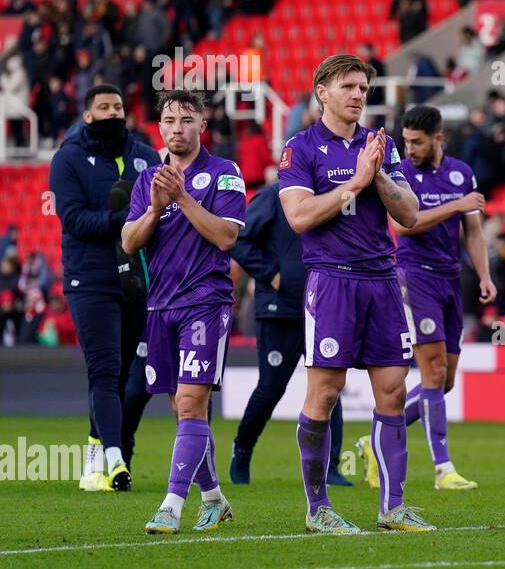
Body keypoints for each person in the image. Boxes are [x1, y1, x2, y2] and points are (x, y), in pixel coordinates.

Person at [278, 54, 426, 534]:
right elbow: (299, 217)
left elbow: (410, 214)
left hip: (383, 280)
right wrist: (357, 183)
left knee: (394, 390)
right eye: (348, 86)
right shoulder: (300, 149)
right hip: (332, 281)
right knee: (324, 392)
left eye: (363, 87)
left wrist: (377, 174)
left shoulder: (381, 146)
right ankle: (318, 508)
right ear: (322, 91)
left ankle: (393, 507)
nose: (358, 95)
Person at [121, 91, 246, 534]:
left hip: (205, 303)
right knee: (181, 409)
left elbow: (226, 237)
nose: (177, 127)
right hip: (160, 307)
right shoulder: (147, 182)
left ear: (202, 126)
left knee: (193, 404)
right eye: (169, 120)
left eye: (186, 119)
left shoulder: (224, 174)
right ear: (160, 128)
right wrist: (157, 207)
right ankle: (214, 498)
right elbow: (130, 242)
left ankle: (171, 507)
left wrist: (183, 199)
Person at [378, 103, 495, 491]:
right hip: (413, 278)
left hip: (450, 280)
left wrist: (484, 275)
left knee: (443, 382)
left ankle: (370, 442)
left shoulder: (461, 173)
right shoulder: (401, 175)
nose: (409, 149)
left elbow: (474, 232)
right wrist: (456, 205)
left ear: (437, 139)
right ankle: (443, 469)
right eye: (406, 141)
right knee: (432, 372)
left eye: (417, 142)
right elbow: (402, 226)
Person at [50, 84, 160, 492]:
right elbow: (75, 220)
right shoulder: (68, 158)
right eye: (104, 107)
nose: (113, 111)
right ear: (88, 115)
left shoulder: (146, 157)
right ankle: (116, 460)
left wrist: (140, 218)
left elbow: (160, 216)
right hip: (89, 278)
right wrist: (125, 219)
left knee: (123, 376)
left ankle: (95, 456)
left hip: (136, 277)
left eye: (118, 106)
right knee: (105, 370)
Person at [229, 180, 351, 486]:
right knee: (271, 387)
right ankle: (242, 449)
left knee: (328, 386)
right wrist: (272, 275)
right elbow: (240, 240)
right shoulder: (272, 195)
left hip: (323, 307)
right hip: (279, 310)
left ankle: (330, 465)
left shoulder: (331, 193)